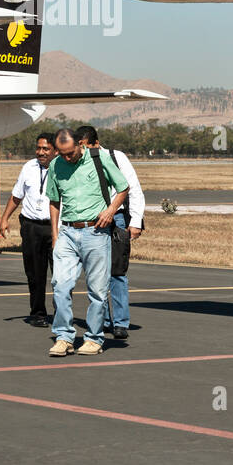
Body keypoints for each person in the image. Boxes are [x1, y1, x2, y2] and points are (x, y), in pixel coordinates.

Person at [44, 128, 129, 356]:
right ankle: (63, 337)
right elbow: (53, 201)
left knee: (98, 291)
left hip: (96, 231)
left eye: (70, 153)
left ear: (80, 144)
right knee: (60, 285)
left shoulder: (99, 158)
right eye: (62, 154)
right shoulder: (55, 166)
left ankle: (93, 338)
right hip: (68, 232)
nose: (67, 158)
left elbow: (123, 187)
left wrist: (111, 211)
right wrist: (55, 236)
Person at [76, 126, 144, 340]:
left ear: (95, 143)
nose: (83, 150)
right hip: (91, 221)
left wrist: (135, 221)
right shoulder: (80, 161)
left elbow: (132, 188)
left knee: (117, 272)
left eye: (85, 146)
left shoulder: (116, 157)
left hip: (117, 219)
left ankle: (121, 322)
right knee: (96, 273)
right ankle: (102, 320)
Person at [0, 132, 56, 327]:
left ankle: (62, 314)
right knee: (34, 273)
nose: (41, 152)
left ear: (55, 151)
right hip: (31, 226)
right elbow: (17, 196)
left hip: (55, 228)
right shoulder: (28, 167)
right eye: (39, 148)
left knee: (61, 275)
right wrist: (4, 218)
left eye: (46, 149)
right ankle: (38, 313)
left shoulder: (63, 168)